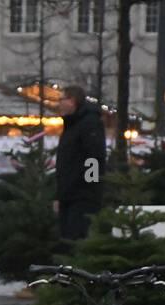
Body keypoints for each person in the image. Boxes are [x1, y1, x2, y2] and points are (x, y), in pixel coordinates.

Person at [53, 85, 107, 242]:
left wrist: (90, 190)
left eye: (61, 99)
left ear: (72, 100)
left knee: (76, 239)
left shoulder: (89, 123)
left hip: (82, 196)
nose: (59, 104)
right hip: (68, 195)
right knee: (66, 239)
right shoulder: (71, 125)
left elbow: (94, 157)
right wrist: (60, 195)